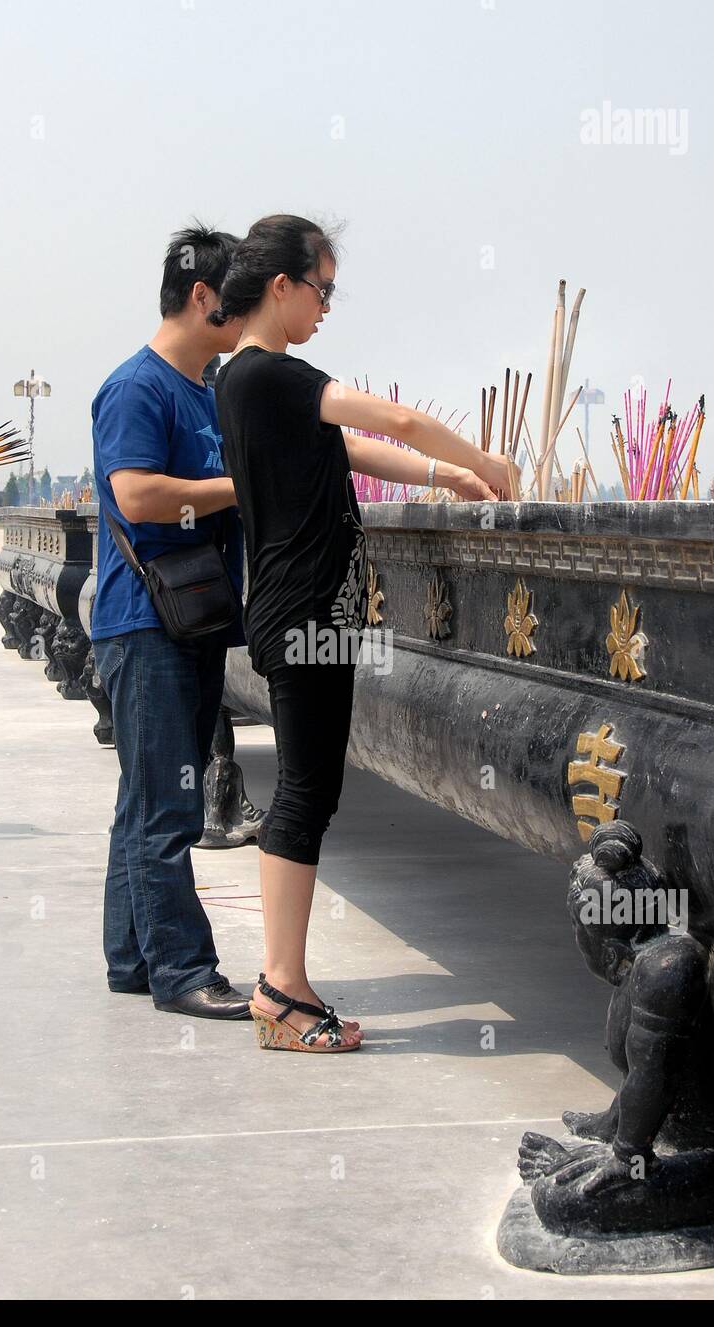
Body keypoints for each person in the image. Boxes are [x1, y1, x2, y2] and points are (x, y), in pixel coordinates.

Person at [212, 214, 509, 1052]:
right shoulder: (271, 373)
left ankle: (283, 981)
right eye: (323, 289)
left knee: (315, 790)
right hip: (304, 611)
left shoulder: (246, 383)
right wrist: (488, 461)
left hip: (300, 607)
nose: (326, 307)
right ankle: (281, 988)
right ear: (283, 286)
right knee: (305, 792)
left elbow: (348, 450)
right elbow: (396, 421)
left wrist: (444, 473)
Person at [91, 226, 251, 1020]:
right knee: (167, 808)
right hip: (143, 625)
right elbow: (137, 497)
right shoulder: (138, 388)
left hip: (184, 623)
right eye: (240, 296)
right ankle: (183, 972)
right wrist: (237, 485)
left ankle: (133, 959)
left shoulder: (204, 387)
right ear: (201, 295)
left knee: (144, 799)